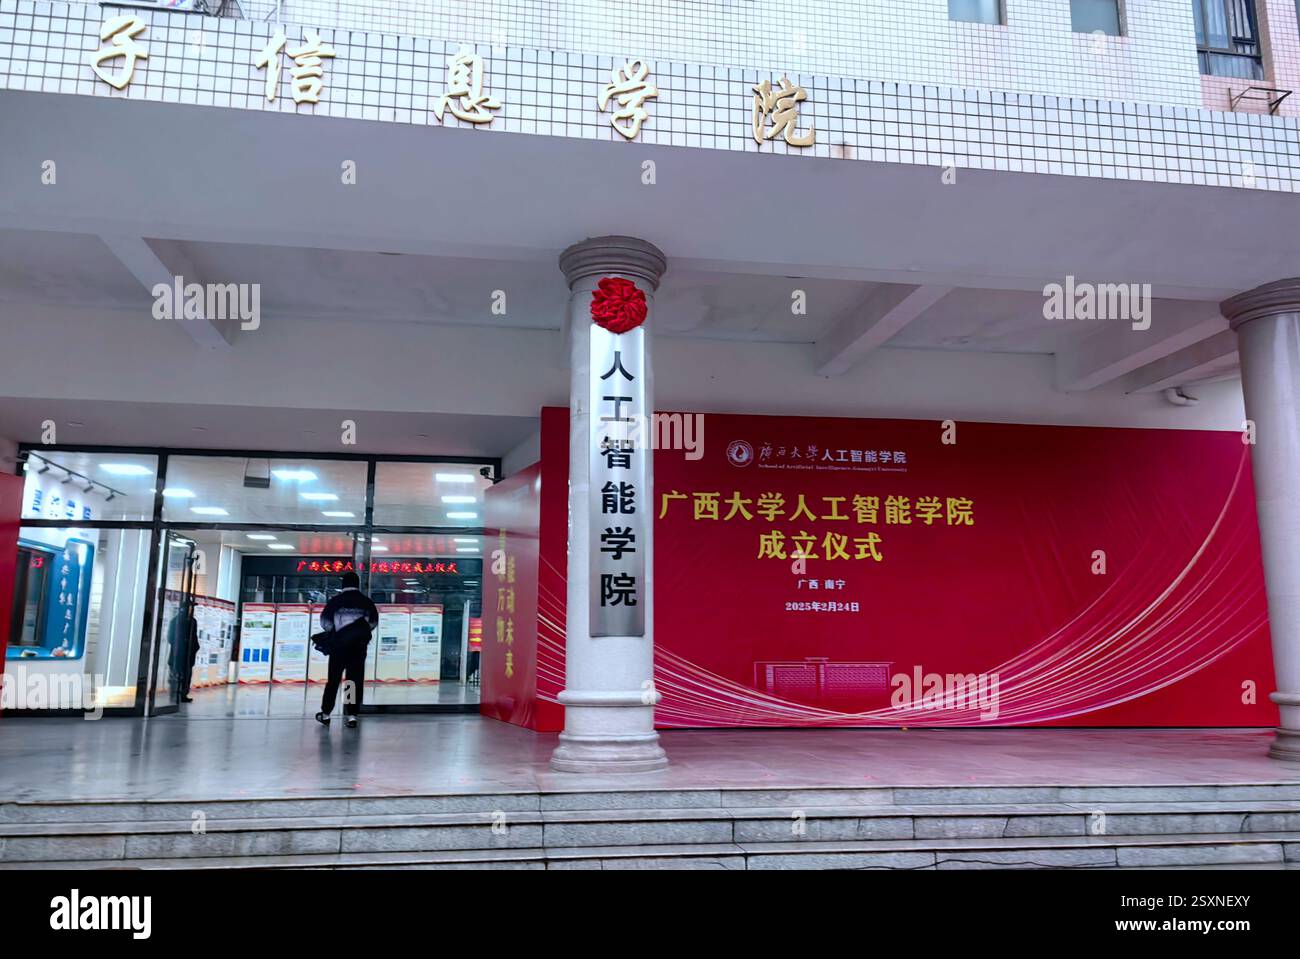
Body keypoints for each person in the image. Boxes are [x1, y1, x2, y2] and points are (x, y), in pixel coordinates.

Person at [316, 571, 378, 728]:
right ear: (357, 584)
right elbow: (373, 622)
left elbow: (325, 622)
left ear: (343, 584)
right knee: (353, 680)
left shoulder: (335, 602)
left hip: (338, 647)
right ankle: (351, 715)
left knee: (334, 680)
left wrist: (338, 634)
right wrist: (358, 635)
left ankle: (326, 713)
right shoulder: (366, 602)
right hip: (358, 648)